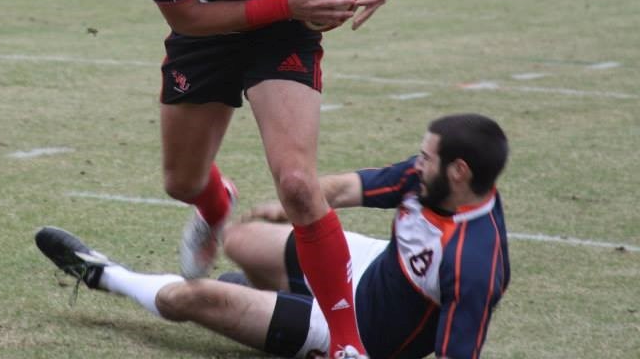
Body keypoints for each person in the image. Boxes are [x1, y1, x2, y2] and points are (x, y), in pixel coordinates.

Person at [130, 0, 391, 357]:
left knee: (297, 184)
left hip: (285, 33)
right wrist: (285, 4)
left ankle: (347, 344)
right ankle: (215, 203)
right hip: (209, 34)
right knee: (181, 182)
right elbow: (185, 17)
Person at [37, 113, 510, 359]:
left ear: (459, 172)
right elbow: (345, 188)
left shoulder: (474, 264)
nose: (416, 162)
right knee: (241, 239)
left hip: (362, 334)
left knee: (195, 297)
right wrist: (290, 207)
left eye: (426, 157)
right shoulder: (428, 180)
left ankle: (104, 274)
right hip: (371, 266)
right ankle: (269, 303)